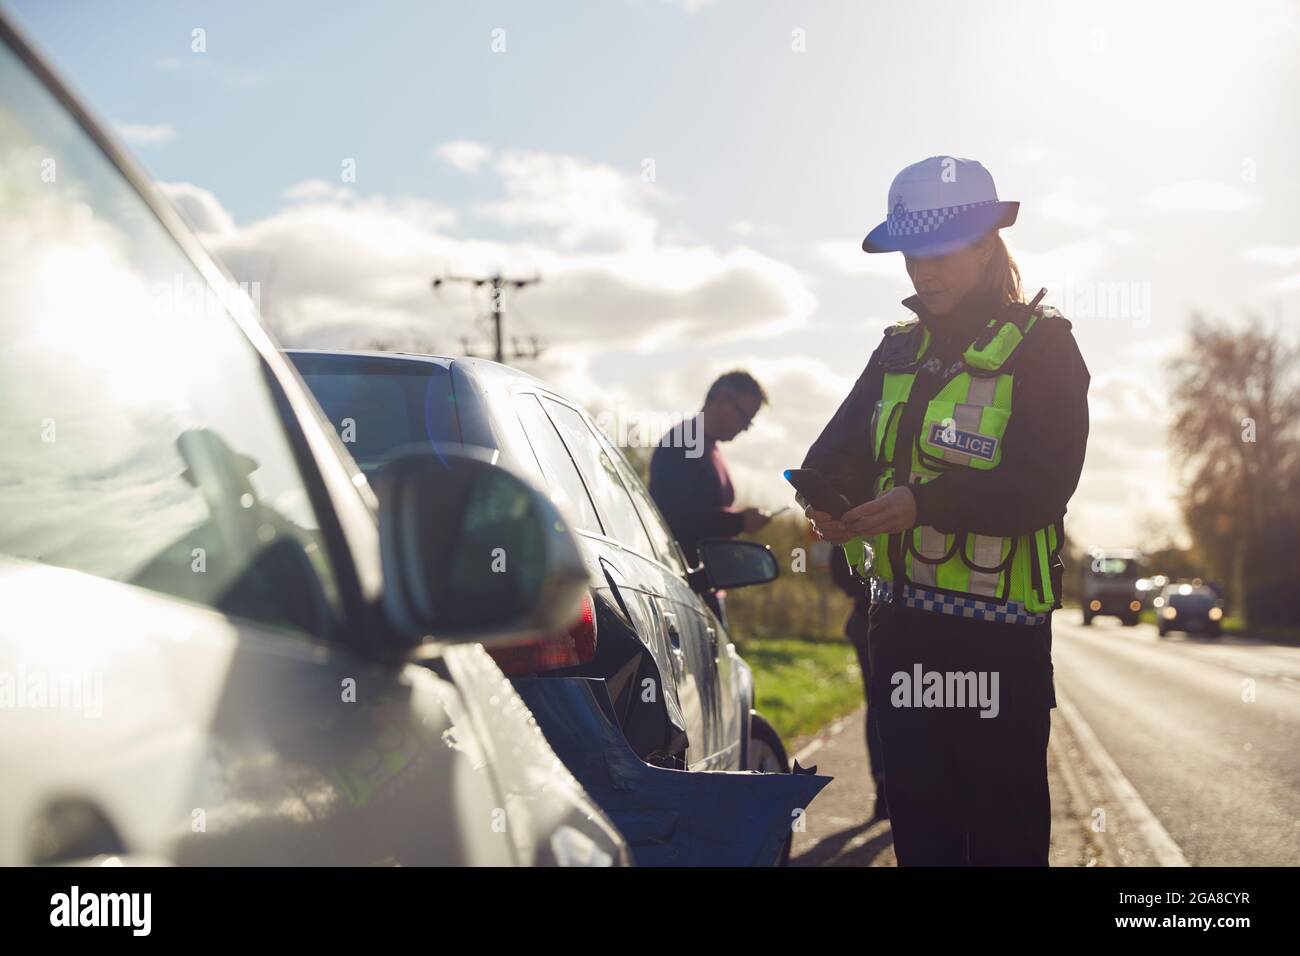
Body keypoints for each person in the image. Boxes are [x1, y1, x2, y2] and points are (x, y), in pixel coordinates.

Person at [798, 156, 1090, 866]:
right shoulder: (897, 350)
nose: (921, 270)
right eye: (909, 254)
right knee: (924, 842)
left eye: (938, 251)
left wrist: (922, 503)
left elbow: (1044, 484)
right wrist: (828, 502)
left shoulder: (1044, 346)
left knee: (1001, 842)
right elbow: (832, 455)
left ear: (987, 244)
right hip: (899, 630)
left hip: (999, 647)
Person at [650, 371, 772, 625]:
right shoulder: (682, 444)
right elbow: (675, 518)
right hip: (684, 590)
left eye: (749, 422)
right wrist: (740, 521)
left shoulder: (707, 447)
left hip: (704, 589)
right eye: (744, 417)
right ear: (721, 399)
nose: (744, 428)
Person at [829, 543, 888, 820]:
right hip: (877, 619)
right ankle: (888, 784)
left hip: (869, 618)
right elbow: (840, 563)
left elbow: (839, 566)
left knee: (879, 703)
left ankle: (887, 785)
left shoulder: (862, 501)